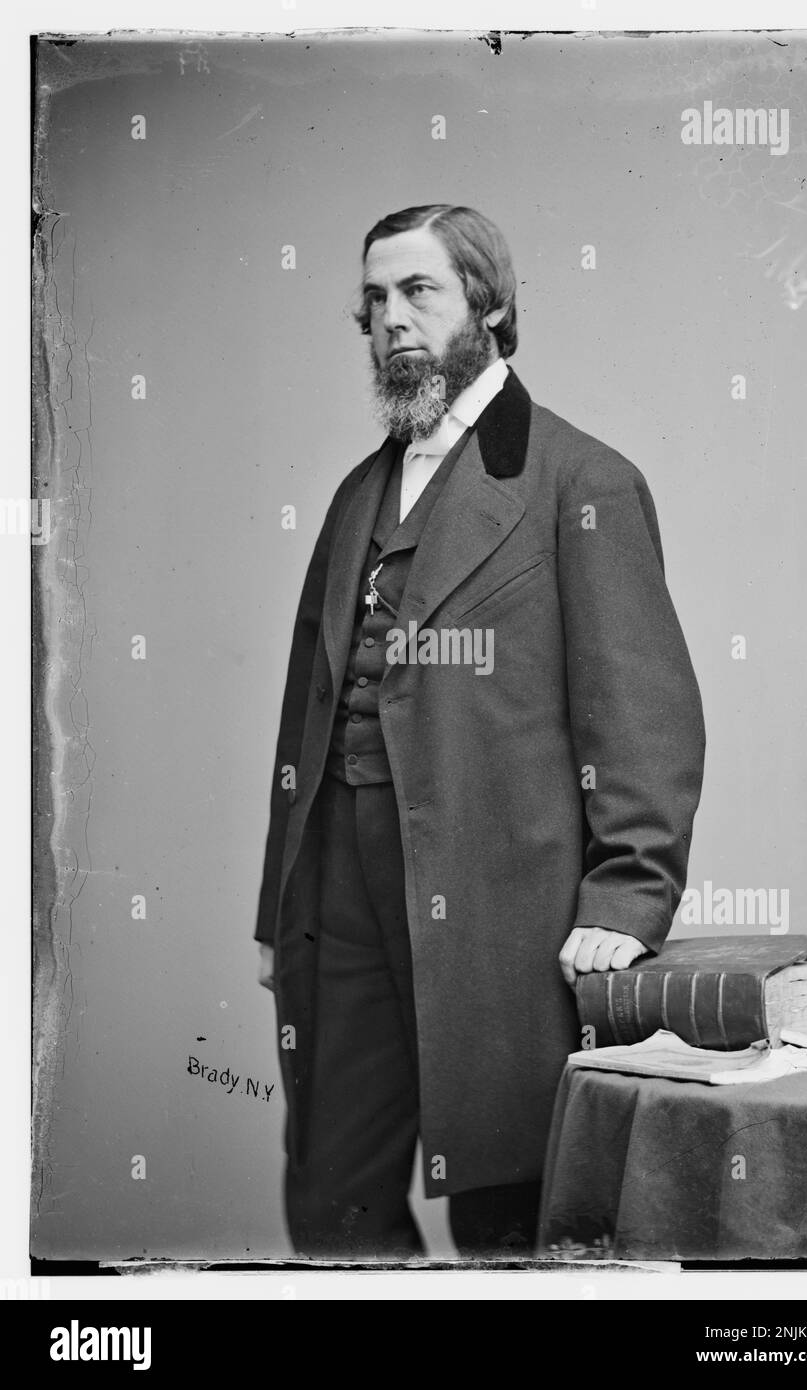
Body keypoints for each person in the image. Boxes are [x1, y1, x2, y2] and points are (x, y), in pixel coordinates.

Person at [254, 204, 705, 1260]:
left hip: (498, 900)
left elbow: (641, 710)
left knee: (503, 1213)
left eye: (418, 292)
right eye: (374, 300)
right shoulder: (355, 494)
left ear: (491, 308)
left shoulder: (578, 482)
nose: (390, 321)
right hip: (342, 897)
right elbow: (306, 710)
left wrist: (630, 891)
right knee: (334, 1199)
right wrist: (283, 901)